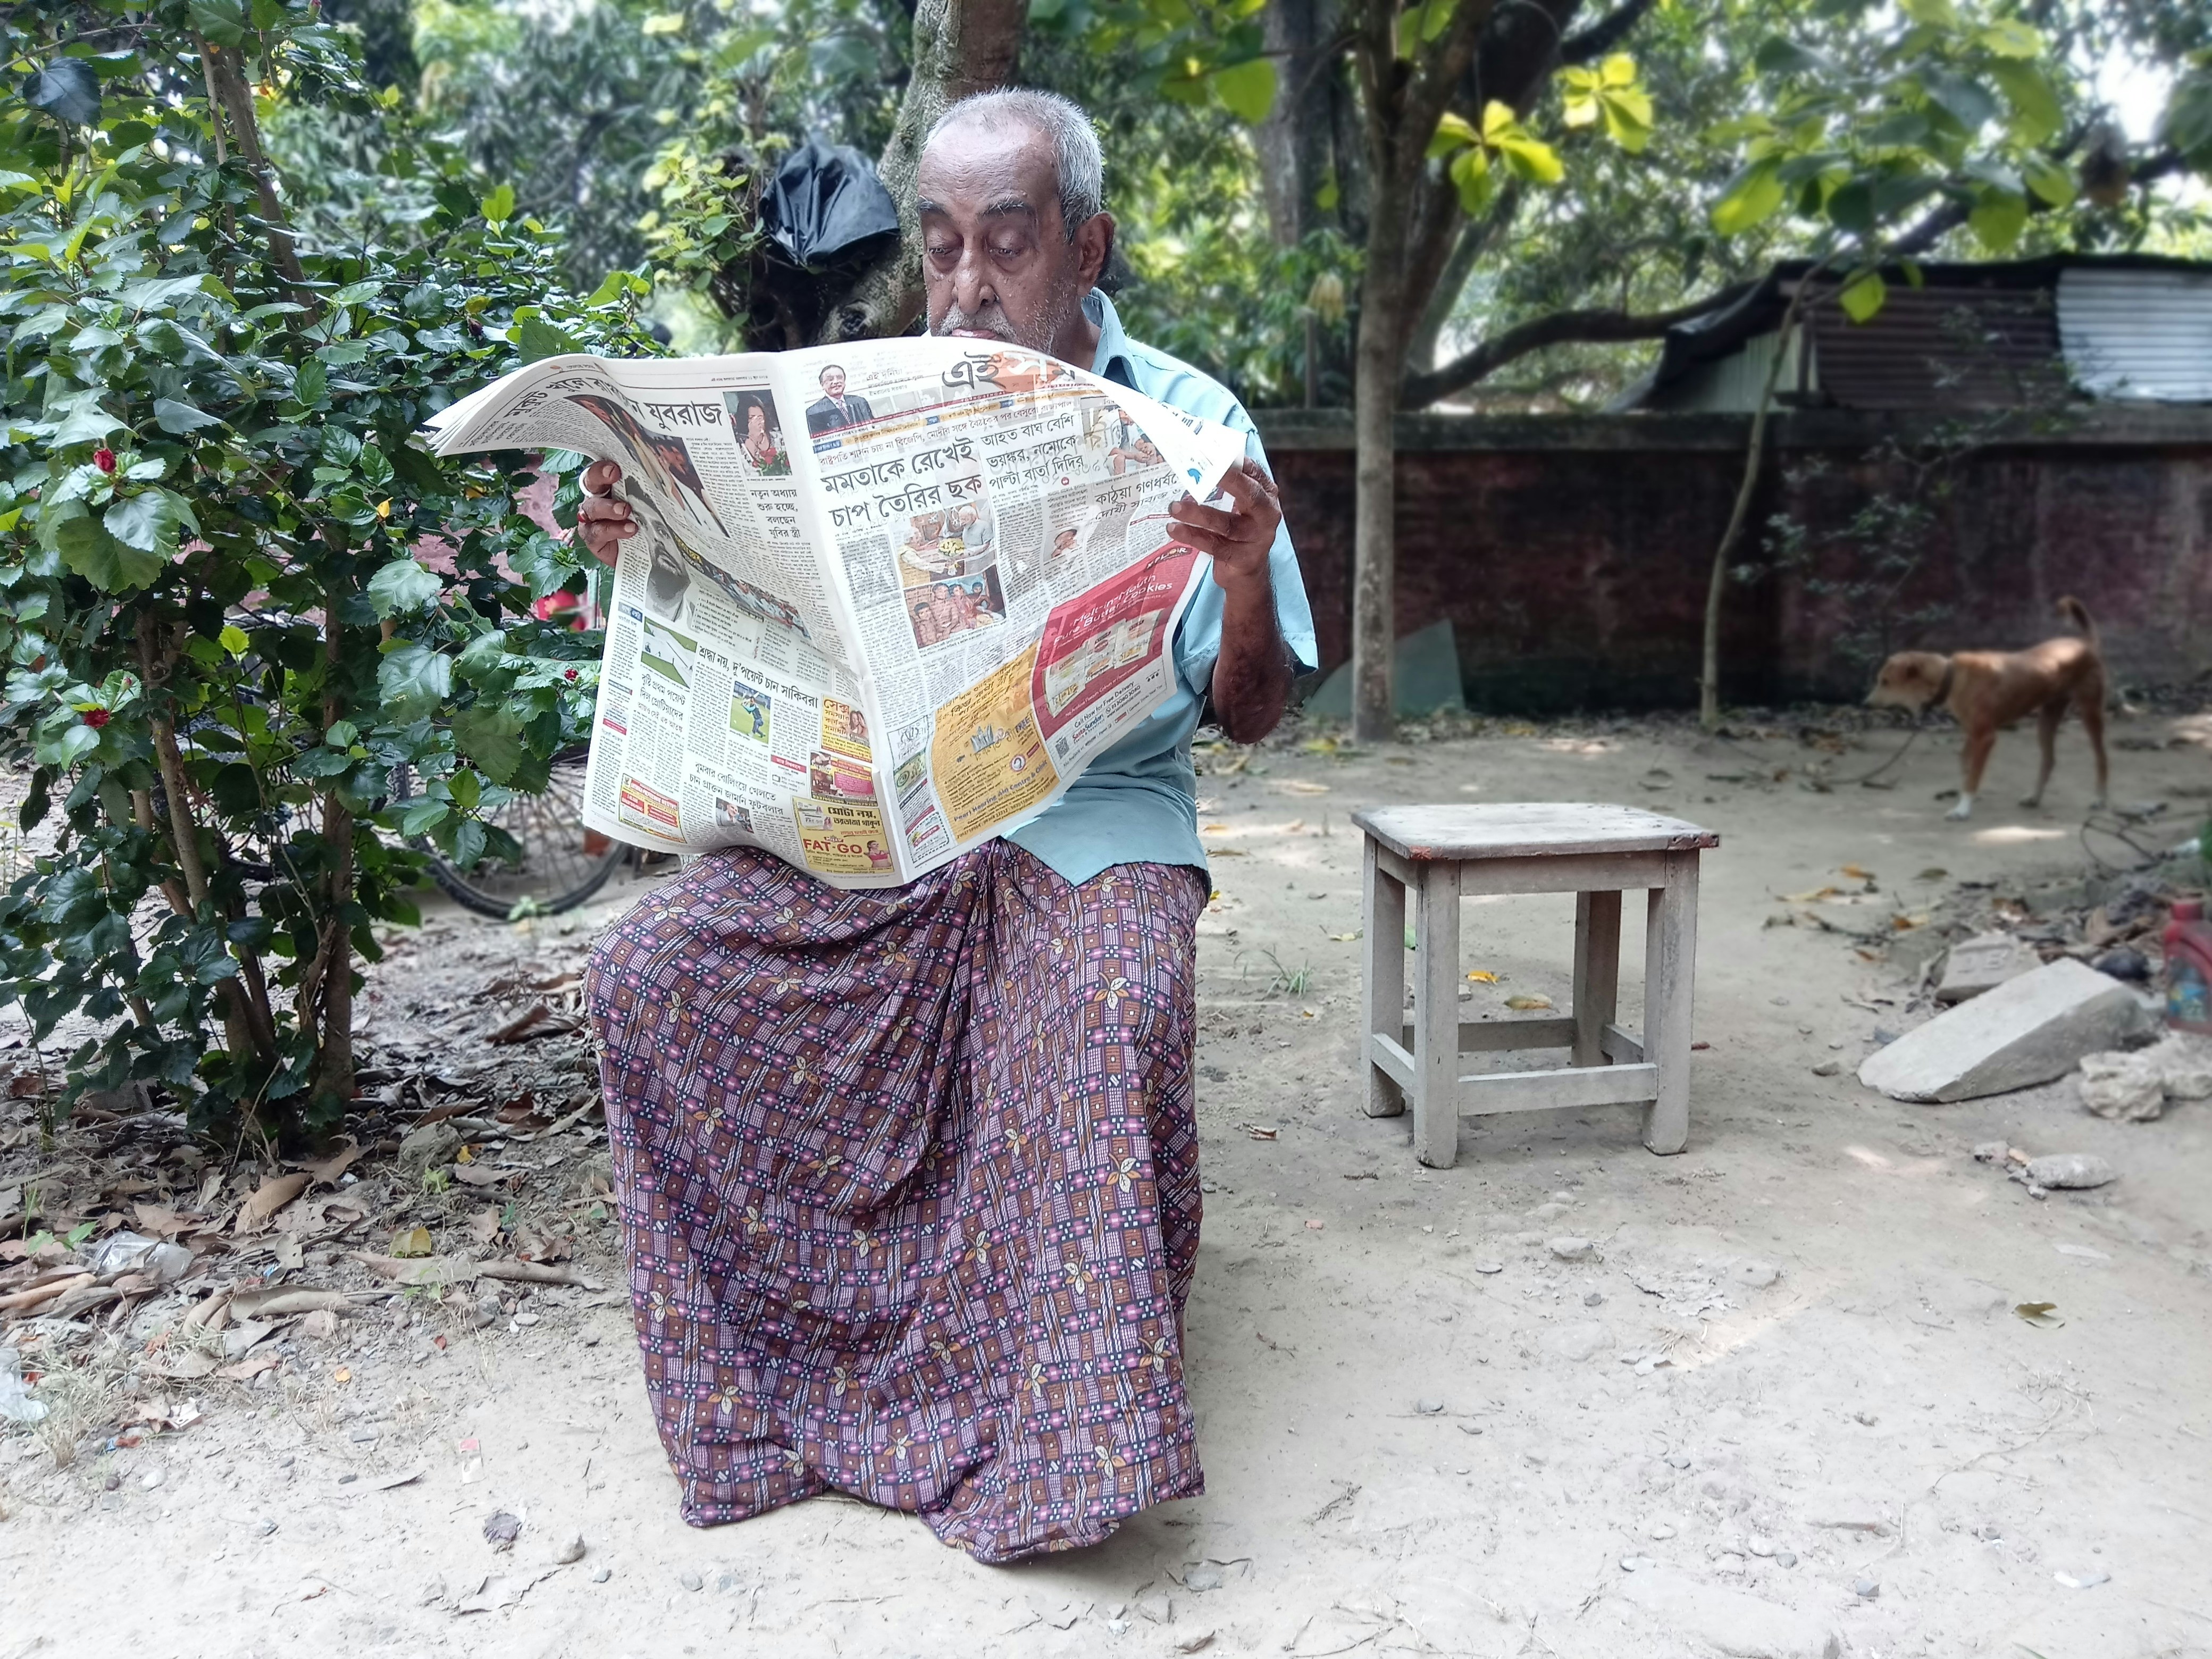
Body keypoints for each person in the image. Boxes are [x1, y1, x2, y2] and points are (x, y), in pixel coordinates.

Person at [577, 87, 1314, 1565]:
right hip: (882, 832)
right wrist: (640, 539)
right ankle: (781, 1400)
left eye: (1008, 242)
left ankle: (1056, 1434)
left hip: (1093, 820)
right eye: (941, 246)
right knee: (647, 971)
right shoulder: (859, 405)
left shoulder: (1188, 425)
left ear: (1088, 247)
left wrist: (1241, 585)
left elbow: (1253, 714)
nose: (966, 285)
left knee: (1101, 1001)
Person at [806, 364, 874, 434]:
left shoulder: (860, 402)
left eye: (839, 378)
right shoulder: (814, 412)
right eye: (830, 379)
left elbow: (872, 427)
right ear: (822, 385)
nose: (836, 382)